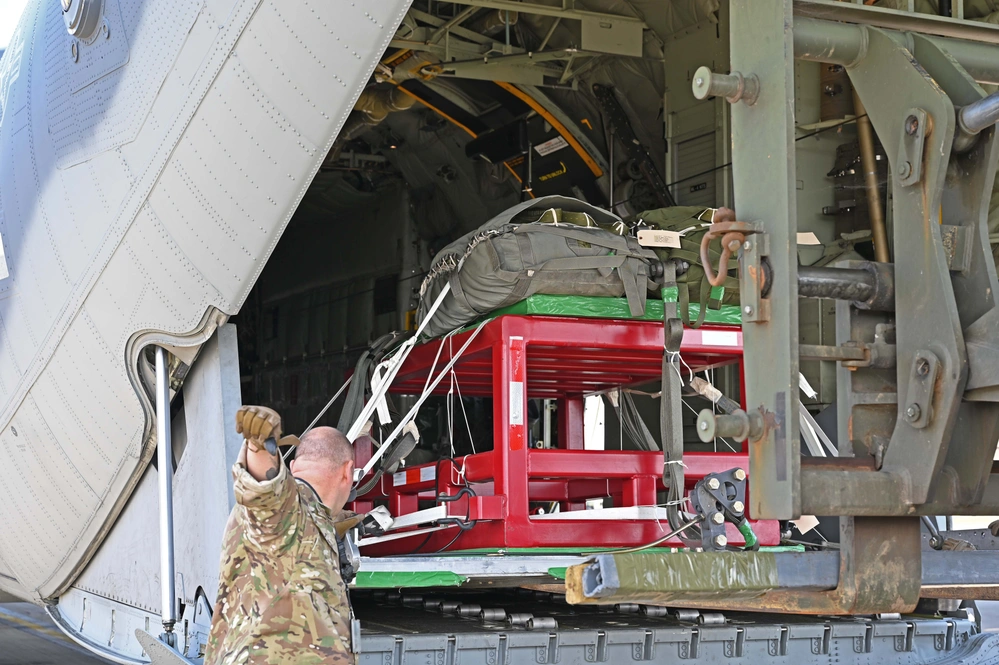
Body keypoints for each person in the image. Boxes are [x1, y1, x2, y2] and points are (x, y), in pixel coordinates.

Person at [204, 405, 357, 665]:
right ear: (348, 471)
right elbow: (265, 491)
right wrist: (259, 444)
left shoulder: (312, 518)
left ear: (296, 464)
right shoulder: (290, 509)